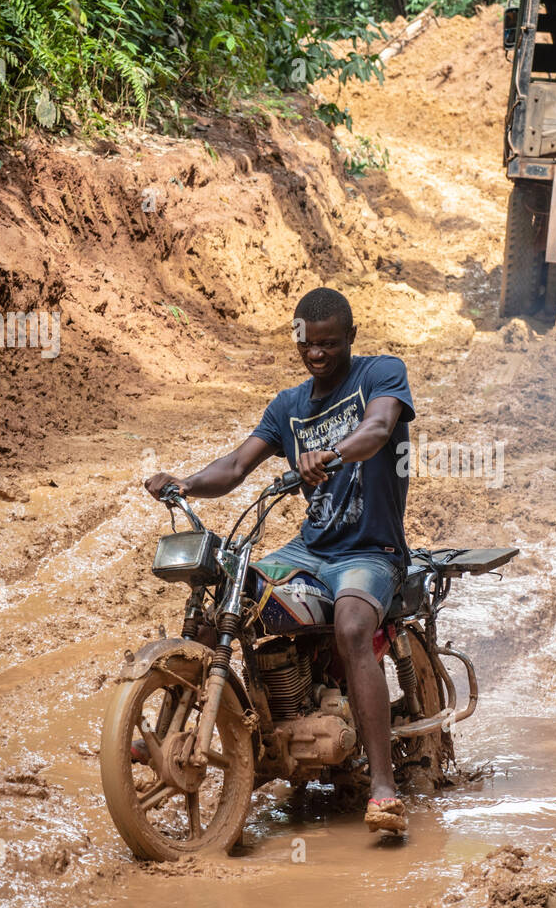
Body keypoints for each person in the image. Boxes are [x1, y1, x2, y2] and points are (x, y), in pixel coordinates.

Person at [145, 287, 415, 836]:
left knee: (353, 625)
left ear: (351, 339)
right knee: (232, 592)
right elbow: (237, 465)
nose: (318, 354)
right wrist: (187, 482)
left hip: (370, 551)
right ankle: (246, 721)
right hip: (308, 549)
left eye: (330, 344)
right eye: (310, 345)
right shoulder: (287, 407)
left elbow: (379, 429)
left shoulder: (381, 374)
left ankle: (384, 788)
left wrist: (332, 454)